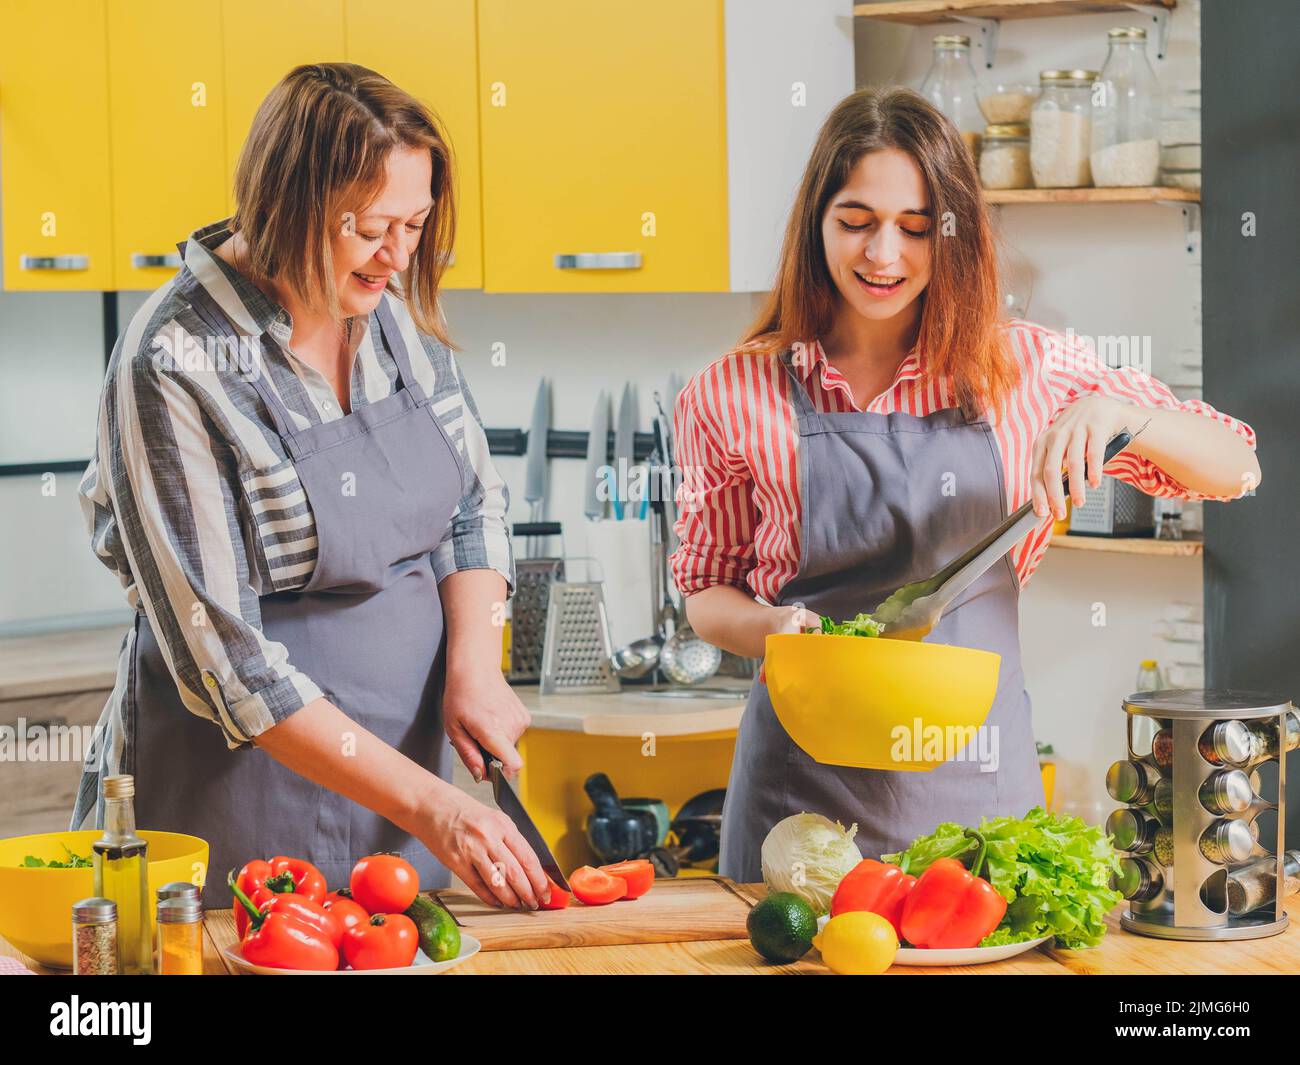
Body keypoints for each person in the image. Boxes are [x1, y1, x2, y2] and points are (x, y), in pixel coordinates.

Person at [669, 88, 1261, 882]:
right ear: (815, 220)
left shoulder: (1025, 370)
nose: (884, 255)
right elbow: (706, 592)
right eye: (856, 221)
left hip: (977, 802)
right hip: (796, 808)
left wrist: (1119, 412)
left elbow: (1236, 465)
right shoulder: (730, 391)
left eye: (915, 229)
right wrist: (773, 631)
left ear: (953, 233)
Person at [73, 63, 549, 911]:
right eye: (372, 227)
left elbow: (470, 504)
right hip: (235, 806)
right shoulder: (171, 361)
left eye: (417, 222)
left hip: (402, 804)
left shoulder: (388, 312)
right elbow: (231, 665)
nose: (400, 254)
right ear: (288, 207)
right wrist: (435, 806)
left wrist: (474, 665)